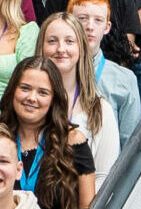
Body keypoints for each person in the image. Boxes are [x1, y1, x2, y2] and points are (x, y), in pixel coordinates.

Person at [0, 59, 94, 209]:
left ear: (53, 98)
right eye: (25, 88)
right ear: (12, 90)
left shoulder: (72, 140)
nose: (32, 98)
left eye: (42, 92)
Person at [31, 12, 115, 176]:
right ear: (41, 46)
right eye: (52, 41)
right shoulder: (27, 102)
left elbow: (104, 177)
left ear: (81, 48)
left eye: (69, 41)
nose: (60, 49)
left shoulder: (101, 110)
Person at [63, 0, 141, 140]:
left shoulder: (124, 79)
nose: (90, 26)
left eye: (98, 20)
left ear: (107, 27)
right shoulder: (55, 72)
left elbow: (129, 140)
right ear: (69, 23)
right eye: (82, 19)